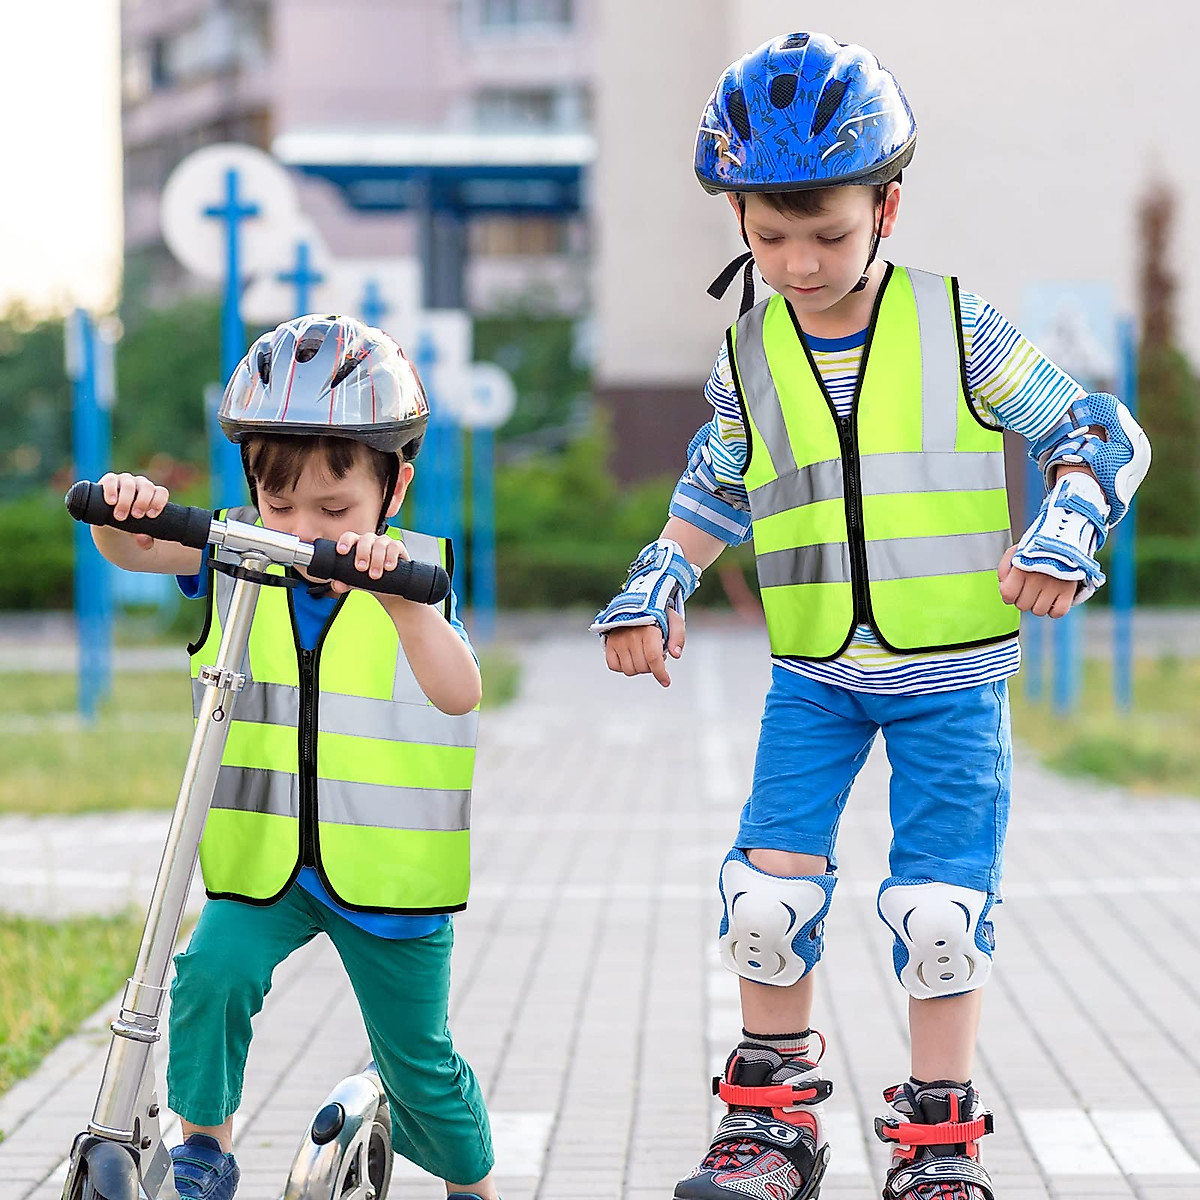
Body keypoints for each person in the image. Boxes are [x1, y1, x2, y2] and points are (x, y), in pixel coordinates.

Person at [591, 32, 1150, 1200]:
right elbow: (715, 481)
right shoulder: (747, 356)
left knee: (940, 914)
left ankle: (938, 1150)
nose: (797, 261)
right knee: (765, 899)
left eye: (828, 233)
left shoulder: (958, 325)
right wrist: (661, 575)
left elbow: (1097, 431)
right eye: (769, 233)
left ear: (888, 208)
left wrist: (1068, 524)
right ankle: (771, 1127)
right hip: (816, 681)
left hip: (952, 679)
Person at [91, 315, 499, 1200]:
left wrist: (401, 603)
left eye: (334, 510)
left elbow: (459, 690)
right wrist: (122, 512)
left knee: (420, 1064)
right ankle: (204, 1147)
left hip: (388, 879)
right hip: (267, 865)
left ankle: (472, 1184)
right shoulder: (240, 553)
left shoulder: (416, 576)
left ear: (394, 488)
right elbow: (135, 546)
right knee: (209, 975)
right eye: (281, 506)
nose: (303, 531)